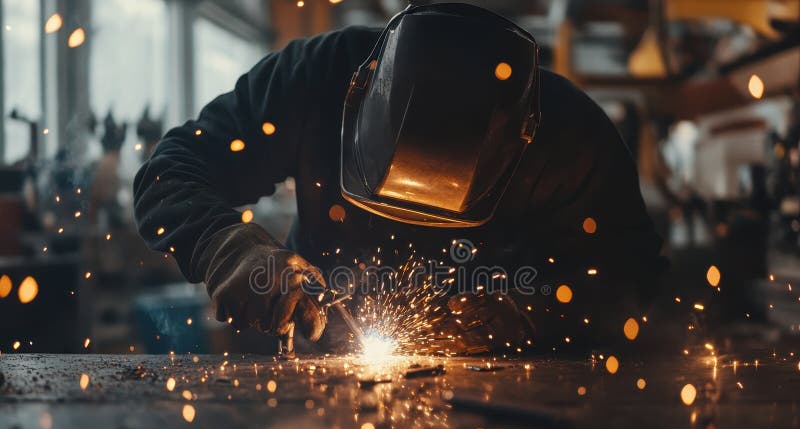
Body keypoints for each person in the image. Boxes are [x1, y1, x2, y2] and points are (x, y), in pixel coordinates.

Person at [134, 3, 666, 355]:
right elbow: (170, 169)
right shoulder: (314, 80)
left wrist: (530, 315)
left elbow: (634, 278)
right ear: (361, 92)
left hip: (509, 394)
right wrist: (222, 242)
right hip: (319, 369)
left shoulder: (571, 136)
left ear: (519, 137)